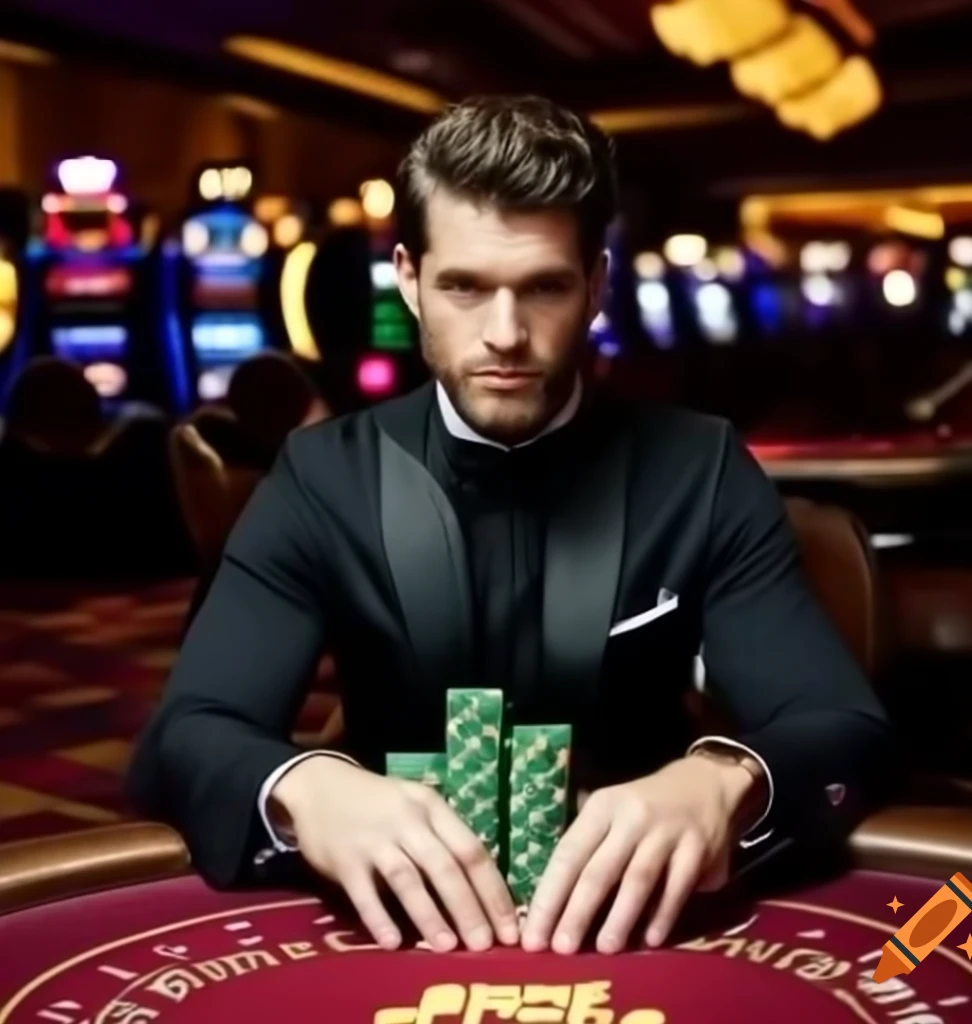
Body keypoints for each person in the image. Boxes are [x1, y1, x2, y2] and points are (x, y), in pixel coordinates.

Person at [127, 95, 892, 960]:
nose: (505, 334)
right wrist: (304, 785)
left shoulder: (699, 470)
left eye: (544, 287)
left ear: (597, 285)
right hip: (387, 928)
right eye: (464, 286)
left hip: (647, 929)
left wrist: (725, 782)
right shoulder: (320, 477)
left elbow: (841, 726)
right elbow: (185, 737)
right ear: (410, 280)